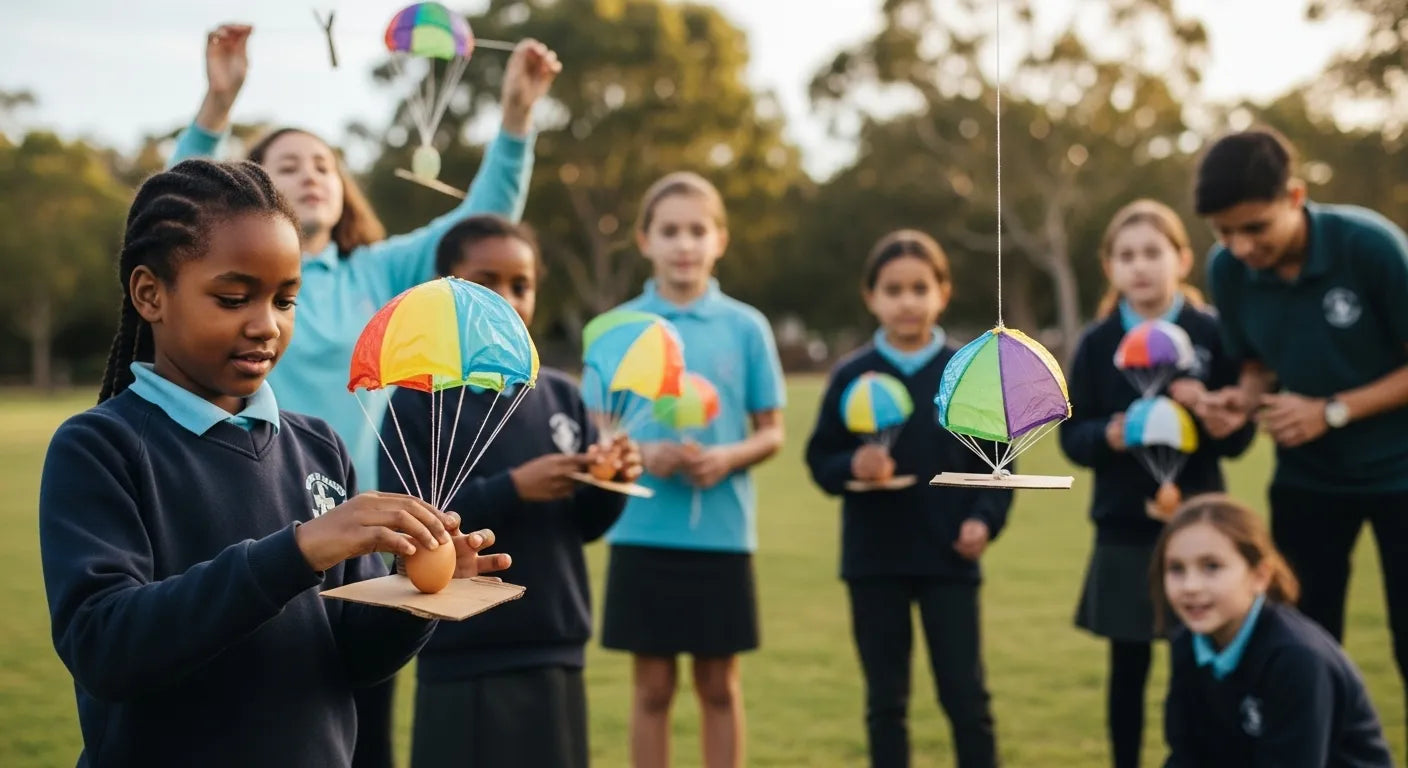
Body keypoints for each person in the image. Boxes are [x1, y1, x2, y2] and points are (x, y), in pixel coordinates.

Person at [38, 159, 510, 766]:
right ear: (150, 294)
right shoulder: (100, 447)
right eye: (233, 298)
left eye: (286, 300)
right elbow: (104, 648)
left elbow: (353, 660)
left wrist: (414, 592)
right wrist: (298, 551)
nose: (266, 326)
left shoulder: (319, 447)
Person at [172, 26, 558, 765]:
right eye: (288, 164)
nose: (312, 174)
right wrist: (217, 106)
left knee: (360, 725)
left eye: (324, 163)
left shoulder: (381, 272)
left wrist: (516, 119)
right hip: (247, 517)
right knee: (247, 714)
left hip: (363, 537)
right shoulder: (234, 288)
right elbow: (170, 221)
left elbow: (476, 228)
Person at [384, 215, 643, 768]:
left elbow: (585, 525)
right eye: (485, 283)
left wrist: (611, 483)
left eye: (520, 285)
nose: (505, 299)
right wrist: (515, 488)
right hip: (464, 653)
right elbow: (406, 529)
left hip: (554, 642)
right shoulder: (418, 399)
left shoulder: (561, 395)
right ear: (446, 293)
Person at [1192, 127, 1408, 738]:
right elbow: (1257, 363)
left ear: (1295, 196)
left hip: (1400, 474)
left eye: (1254, 228)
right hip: (1308, 481)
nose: (1240, 247)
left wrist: (1330, 411)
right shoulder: (1228, 270)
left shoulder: (1370, 246)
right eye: (1224, 233)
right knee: (1302, 647)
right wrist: (1241, 401)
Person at [598, 172, 786, 768]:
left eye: (698, 230)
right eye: (670, 230)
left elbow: (772, 431)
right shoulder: (619, 329)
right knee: (652, 689)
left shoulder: (746, 327)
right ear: (644, 239)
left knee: (719, 687)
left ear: (720, 240)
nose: (684, 244)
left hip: (721, 535)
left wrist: (727, 457)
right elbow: (597, 432)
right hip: (642, 532)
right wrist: (641, 454)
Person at [1059, 200, 1255, 767]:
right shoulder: (1097, 344)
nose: (1140, 266)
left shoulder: (1210, 332)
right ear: (1109, 268)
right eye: (1126, 256)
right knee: (1128, 668)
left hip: (1200, 526)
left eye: (1152, 252)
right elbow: (1072, 436)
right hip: (1124, 527)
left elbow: (1239, 438)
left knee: (1197, 665)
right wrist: (1108, 435)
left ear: (1183, 259)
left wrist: (1210, 409)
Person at [804, 230, 1011, 768]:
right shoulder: (852, 374)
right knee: (886, 705)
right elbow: (820, 459)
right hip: (875, 561)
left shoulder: (967, 372)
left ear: (943, 292)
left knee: (966, 700)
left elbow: (1001, 465)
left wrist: (984, 521)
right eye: (893, 289)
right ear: (870, 296)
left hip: (950, 559)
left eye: (920, 287)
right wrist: (852, 465)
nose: (907, 301)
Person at [1155, 494, 1392, 766]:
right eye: (1176, 569)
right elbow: (1185, 756)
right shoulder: (1187, 643)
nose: (1191, 586)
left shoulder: (1297, 658)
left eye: (1212, 567)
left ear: (1260, 576)